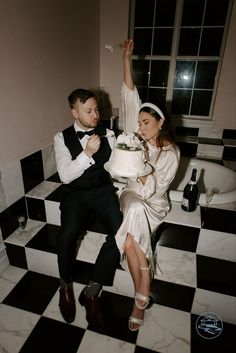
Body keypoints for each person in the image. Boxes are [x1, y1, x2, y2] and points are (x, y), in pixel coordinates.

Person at [115, 39, 180, 331]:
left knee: (129, 240)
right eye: (138, 122)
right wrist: (126, 58)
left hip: (154, 203)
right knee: (135, 207)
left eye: (145, 123)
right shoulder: (135, 139)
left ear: (160, 122)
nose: (139, 127)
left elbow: (158, 187)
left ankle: (138, 295)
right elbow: (130, 95)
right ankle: (143, 285)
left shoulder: (171, 153)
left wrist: (142, 170)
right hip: (129, 194)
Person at [54, 88, 123, 329]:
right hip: (76, 193)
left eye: (96, 109)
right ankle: (65, 285)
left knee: (120, 233)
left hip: (103, 191)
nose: (96, 115)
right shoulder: (61, 138)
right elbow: (65, 176)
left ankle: (92, 291)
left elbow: (116, 167)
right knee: (68, 233)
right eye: (89, 111)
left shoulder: (109, 133)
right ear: (74, 112)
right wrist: (86, 153)